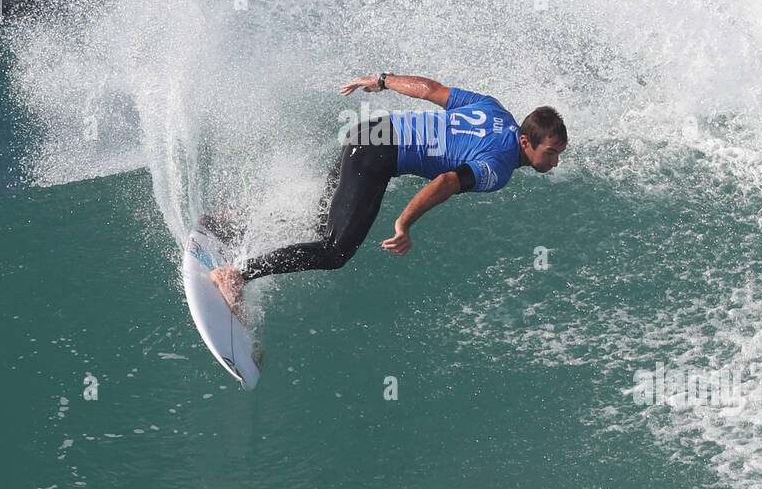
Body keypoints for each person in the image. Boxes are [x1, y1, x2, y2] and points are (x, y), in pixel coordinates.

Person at [207, 72, 567, 310]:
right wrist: (404, 224)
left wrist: (383, 80)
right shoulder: (500, 167)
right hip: (376, 154)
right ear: (525, 140)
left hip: (369, 131)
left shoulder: (494, 108)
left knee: (321, 221)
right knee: (335, 251)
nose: (553, 163)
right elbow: (447, 181)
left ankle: (234, 223)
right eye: (549, 154)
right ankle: (236, 274)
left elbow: (432, 91)